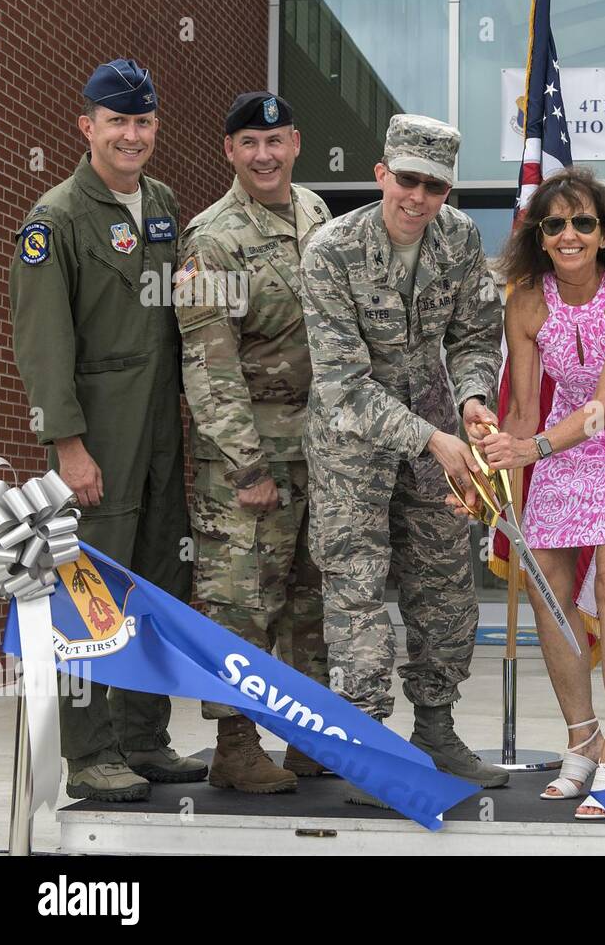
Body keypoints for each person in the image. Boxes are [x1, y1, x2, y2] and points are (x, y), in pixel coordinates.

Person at [9, 59, 205, 801]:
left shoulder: (161, 203)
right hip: (97, 435)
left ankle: (144, 739)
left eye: (144, 122)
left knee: (156, 581)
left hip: (159, 428)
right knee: (90, 592)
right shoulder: (53, 219)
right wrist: (68, 446)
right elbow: (42, 341)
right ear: (86, 126)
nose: (132, 134)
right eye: (117, 121)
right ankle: (89, 755)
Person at [299, 114, 508, 792]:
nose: (418, 198)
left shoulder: (461, 240)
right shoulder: (330, 250)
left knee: (444, 585)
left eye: (436, 187)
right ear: (382, 173)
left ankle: (437, 731)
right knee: (355, 594)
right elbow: (341, 385)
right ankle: (368, 747)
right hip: (352, 453)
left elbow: (475, 336)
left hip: (440, 445)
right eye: (408, 180)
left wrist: (475, 399)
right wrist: (435, 438)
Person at [477, 167, 605, 819]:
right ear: (539, 234)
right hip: (563, 442)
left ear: (603, 233)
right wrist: (498, 470)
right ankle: (582, 739)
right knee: (545, 581)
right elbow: (524, 409)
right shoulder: (526, 302)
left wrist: (533, 448)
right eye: (555, 223)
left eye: (582, 222)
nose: (569, 234)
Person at [175, 92, 330, 794]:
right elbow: (210, 364)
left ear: (296, 142)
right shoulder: (214, 238)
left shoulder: (318, 216)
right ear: (229, 152)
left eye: (275, 140)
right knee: (242, 602)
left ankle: (305, 736)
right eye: (249, 144)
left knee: (309, 598)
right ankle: (235, 746)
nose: (264, 155)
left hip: (318, 450)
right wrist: (246, 466)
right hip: (249, 456)